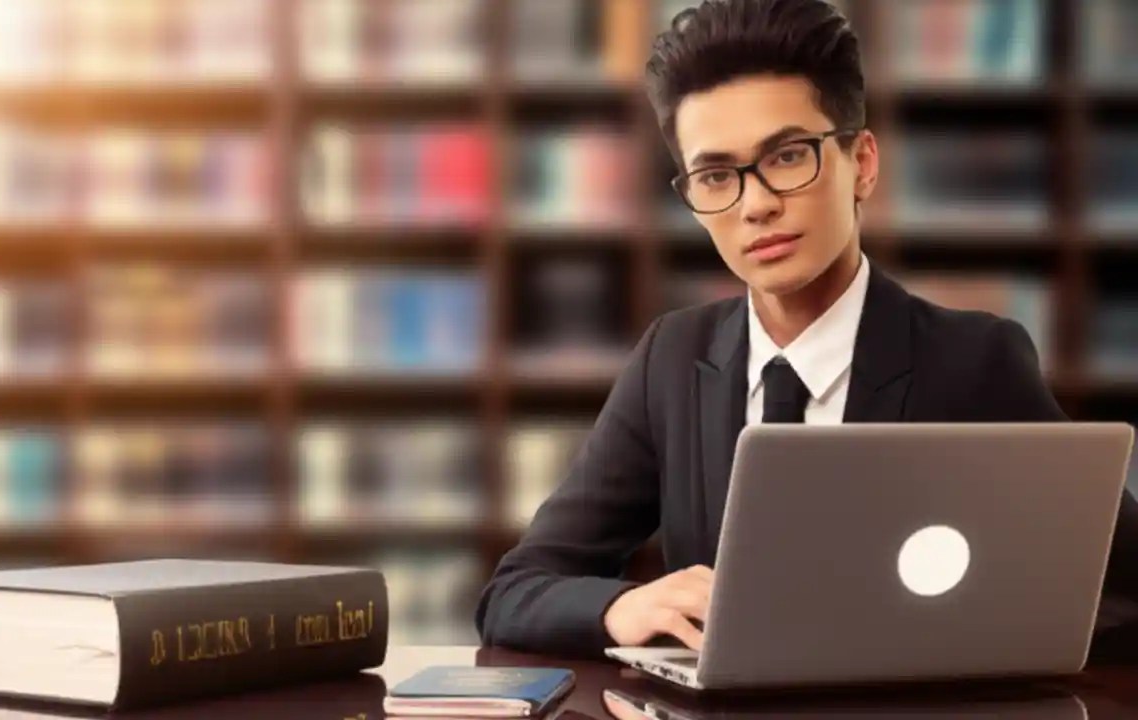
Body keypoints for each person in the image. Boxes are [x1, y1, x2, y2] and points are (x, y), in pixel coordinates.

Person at [475, 0, 1138, 657]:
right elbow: (515, 591)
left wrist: (964, 644)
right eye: (715, 175)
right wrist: (621, 605)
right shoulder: (672, 362)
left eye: (788, 156)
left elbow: (1124, 596)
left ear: (863, 163)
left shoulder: (973, 361)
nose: (757, 203)